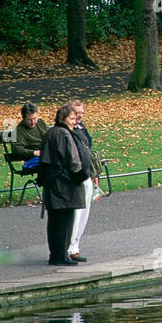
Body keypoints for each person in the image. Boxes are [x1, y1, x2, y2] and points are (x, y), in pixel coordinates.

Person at [39, 104, 90, 266]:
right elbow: (71, 157)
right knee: (61, 219)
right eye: (71, 118)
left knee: (62, 218)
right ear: (62, 118)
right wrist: (80, 174)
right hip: (62, 183)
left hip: (60, 182)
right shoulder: (61, 133)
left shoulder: (58, 132)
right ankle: (59, 255)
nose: (74, 121)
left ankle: (61, 254)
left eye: (75, 118)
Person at [67, 98, 100, 264]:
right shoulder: (67, 131)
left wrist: (94, 174)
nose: (79, 117)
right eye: (76, 113)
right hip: (77, 177)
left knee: (85, 212)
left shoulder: (82, 128)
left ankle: (76, 246)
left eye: (81, 113)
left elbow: (89, 148)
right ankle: (70, 247)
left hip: (87, 175)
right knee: (76, 213)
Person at [8, 102, 50, 170]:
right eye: (29, 120)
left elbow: (50, 137)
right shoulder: (19, 131)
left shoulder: (40, 122)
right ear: (24, 118)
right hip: (35, 158)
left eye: (35, 118)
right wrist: (34, 153)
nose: (33, 122)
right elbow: (16, 149)